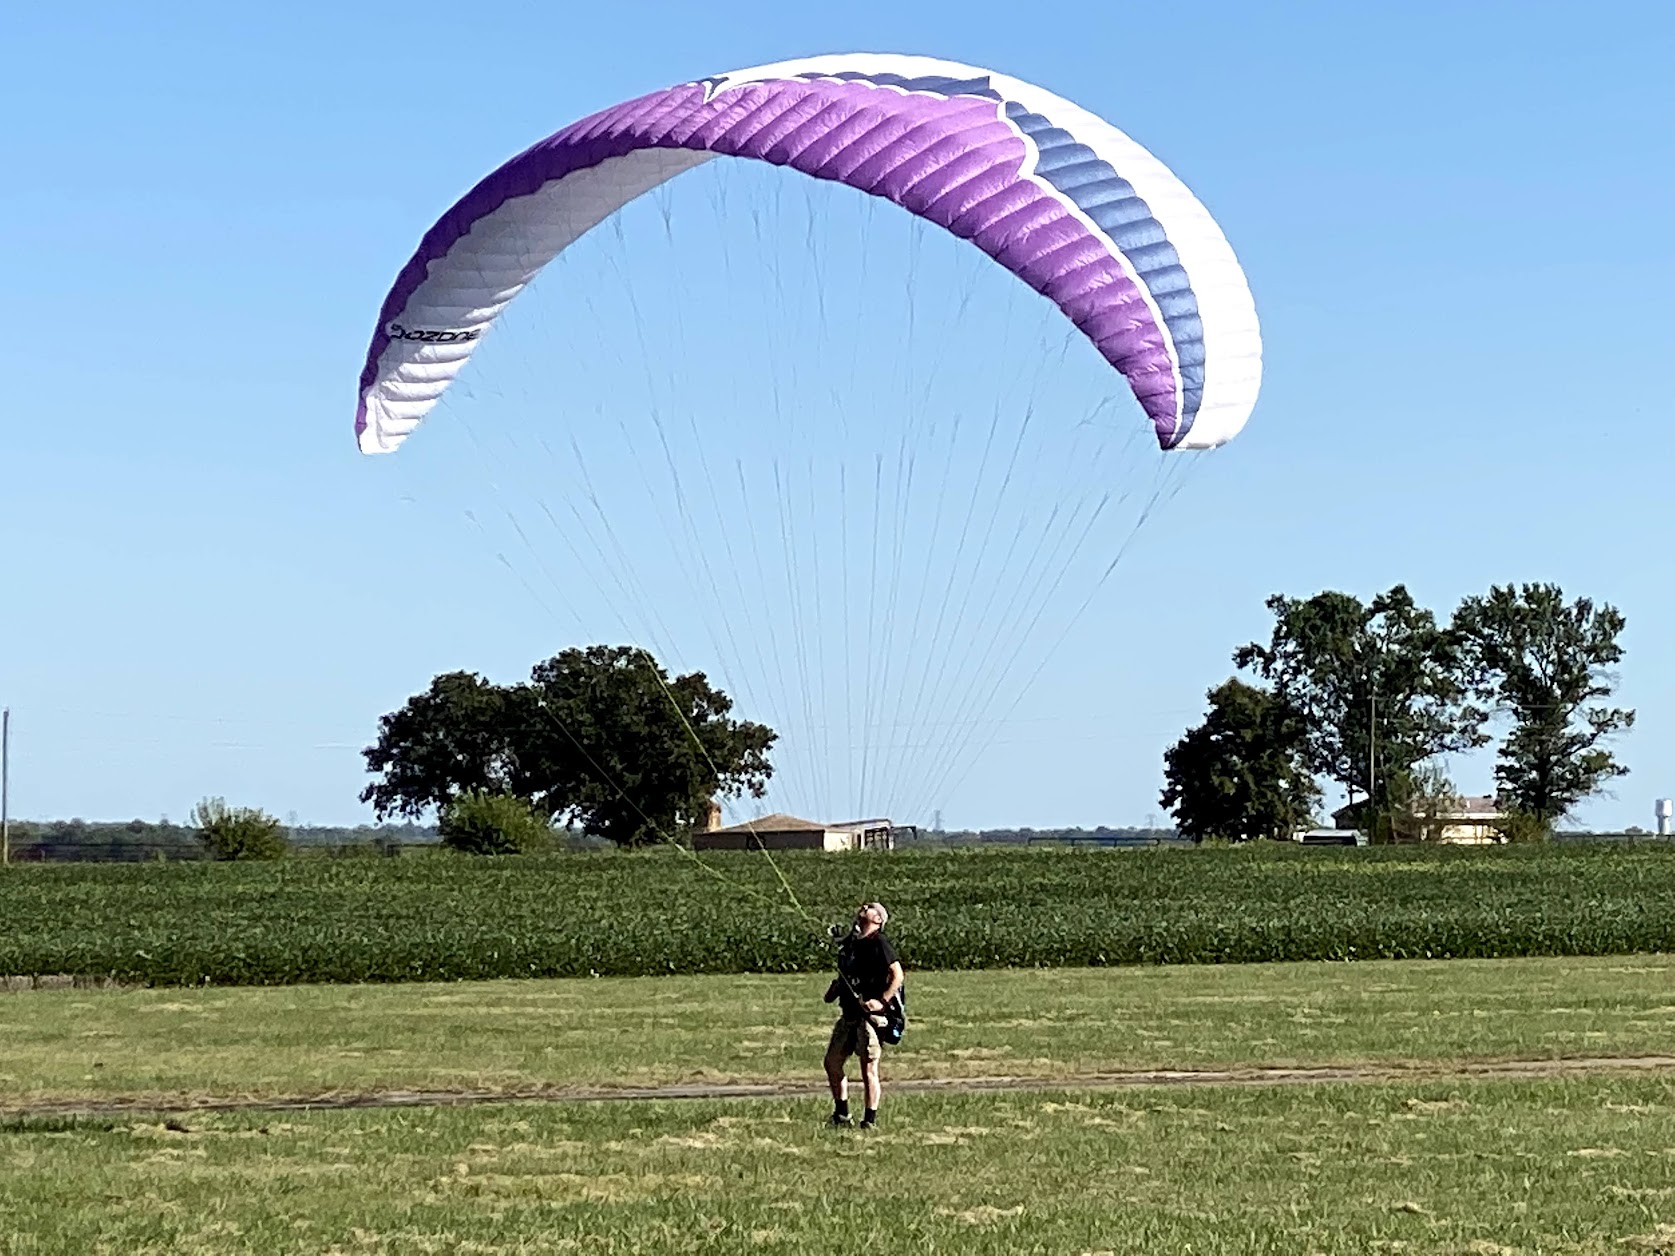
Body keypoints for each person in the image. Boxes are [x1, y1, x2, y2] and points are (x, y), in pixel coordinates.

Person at [822, 900, 903, 1129]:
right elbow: (847, 974)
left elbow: (897, 975)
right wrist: (834, 990)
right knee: (832, 1062)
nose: (864, 907)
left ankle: (869, 1120)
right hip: (848, 1013)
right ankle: (842, 1114)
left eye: (871, 907)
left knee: (868, 1067)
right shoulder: (852, 945)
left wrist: (881, 1001)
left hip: (869, 1017)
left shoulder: (880, 943)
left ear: (878, 920)